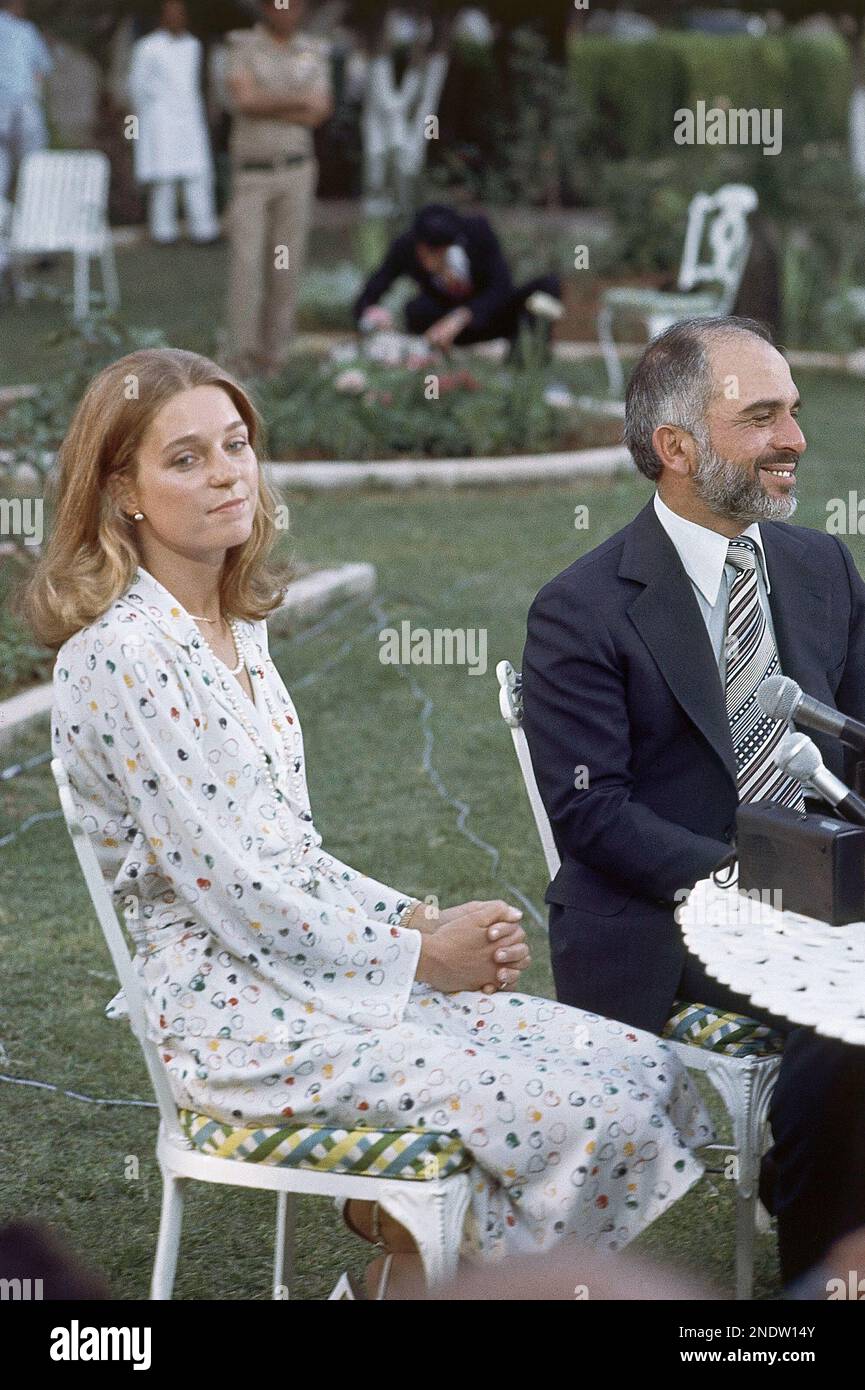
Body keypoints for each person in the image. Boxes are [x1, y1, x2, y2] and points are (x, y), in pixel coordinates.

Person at [31, 347, 712, 1297]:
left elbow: (288, 855)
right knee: (590, 1115)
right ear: (121, 492)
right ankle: (409, 1270)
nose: (227, 472)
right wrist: (421, 959)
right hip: (239, 1024)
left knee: (646, 1074)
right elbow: (236, 890)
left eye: (236, 446)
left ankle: (398, 1268)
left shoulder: (235, 631)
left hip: (319, 979)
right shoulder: (119, 659)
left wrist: (412, 923)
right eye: (185, 459)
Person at [522, 314, 865, 1285]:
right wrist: (764, 885)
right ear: (675, 447)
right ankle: (821, 1263)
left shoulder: (819, 567)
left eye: (792, 411)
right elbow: (594, 816)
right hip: (669, 920)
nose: (794, 438)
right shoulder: (581, 607)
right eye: (761, 417)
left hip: (833, 893)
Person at [223, 0, 332, 377]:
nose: (287, 11)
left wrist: (268, 102)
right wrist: (297, 101)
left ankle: (274, 359)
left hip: (296, 172)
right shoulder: (243, 46)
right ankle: (238, 360)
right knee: (246, 266)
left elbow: (320, 110)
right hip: (252, 174)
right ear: (267, 9)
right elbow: (244, 99)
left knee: (284, 265)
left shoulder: (313, 50)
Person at [353, 202, 563, 359]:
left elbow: (501, 288)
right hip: (439, 326)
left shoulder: (477, 233)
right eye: (426, 251)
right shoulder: (405, 248)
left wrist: (463, 316)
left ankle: (525, 361)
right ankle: (428, 357)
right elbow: (370, 292)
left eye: (439, 251)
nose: (431, 258)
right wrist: (372, 314)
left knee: (546, 288)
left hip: (487, 317)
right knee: (416, 309)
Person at [127, 0, 220, 247]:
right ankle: (163, 233)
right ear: (162, 17)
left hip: (189, 119)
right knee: (164, 179)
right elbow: (136, 87)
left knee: (198, 175)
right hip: (161, 121)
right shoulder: (147, 47)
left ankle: (204, 230)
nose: (176, 18)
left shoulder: (193, 45)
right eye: (171, 13)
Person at [0, 0, 51, 222]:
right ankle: (34, 229)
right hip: (23, 106)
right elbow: (42, 69)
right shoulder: (26, 30)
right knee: (34, 168)